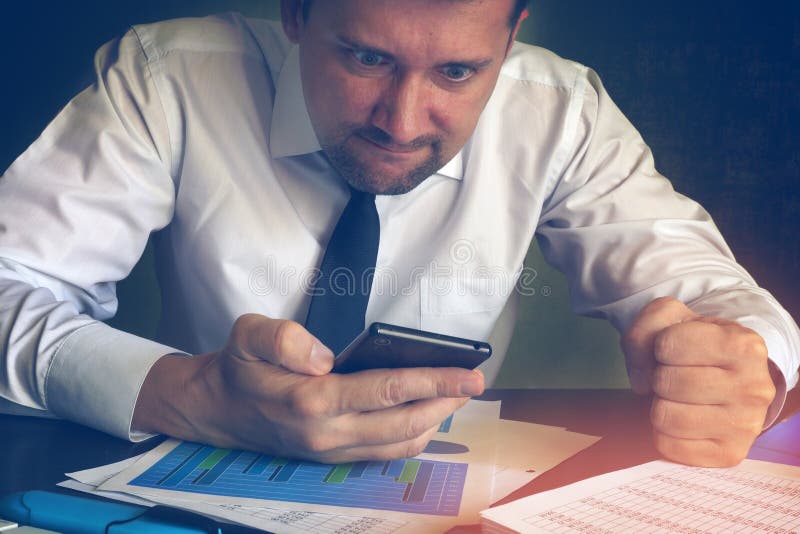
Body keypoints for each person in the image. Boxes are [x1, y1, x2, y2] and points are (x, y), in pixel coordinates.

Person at [0, 0, 797, 467]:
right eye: (366, 58)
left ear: (511, 37)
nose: (403, 123)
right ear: (296, 13)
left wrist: (747, 370)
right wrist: (191, 396)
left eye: (458, 72)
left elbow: (713, 297)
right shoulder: (169, 78)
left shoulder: (559, 112)